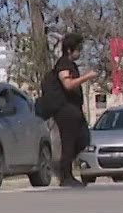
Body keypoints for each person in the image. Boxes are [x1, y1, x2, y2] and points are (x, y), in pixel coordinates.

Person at [42, 33, 98, 187]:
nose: (79, 52)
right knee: (69, 142)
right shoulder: (63, 64)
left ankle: (63, 168)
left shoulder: (71, 65)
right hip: (65, 110)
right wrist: (86, 77)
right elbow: (67, 84)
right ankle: (66, 176)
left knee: (83, 138)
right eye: (78, 49)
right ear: (69, 50)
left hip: (74, 109)